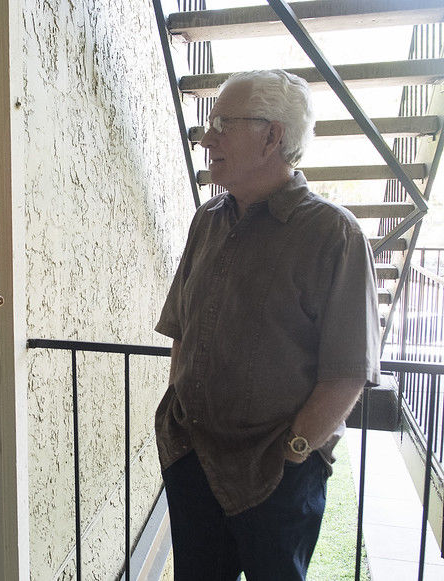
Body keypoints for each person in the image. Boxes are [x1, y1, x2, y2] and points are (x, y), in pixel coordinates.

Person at [154, 69, 381, 580]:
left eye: (222, 124)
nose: (206, 138)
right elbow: (183, 331)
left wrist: (295, 451)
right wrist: (177, 421)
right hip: (193, 460)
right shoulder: (207, 219)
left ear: (272, 136)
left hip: (275, 476)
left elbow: (347, 371)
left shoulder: (334, 234)